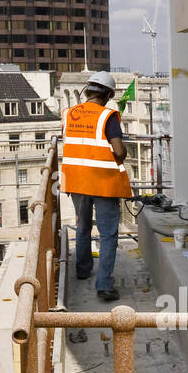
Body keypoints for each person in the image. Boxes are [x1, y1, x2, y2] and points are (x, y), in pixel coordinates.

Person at [60, 70, 130, 303]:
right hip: (103, 182)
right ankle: (104, 285)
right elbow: (118, 151)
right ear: (108, 95)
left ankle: (82, 270)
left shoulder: (69, 114)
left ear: (87, 91)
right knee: (108, 234)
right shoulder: (107, 116)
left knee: (82, 226)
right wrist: (123, 152)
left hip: (76, 180)